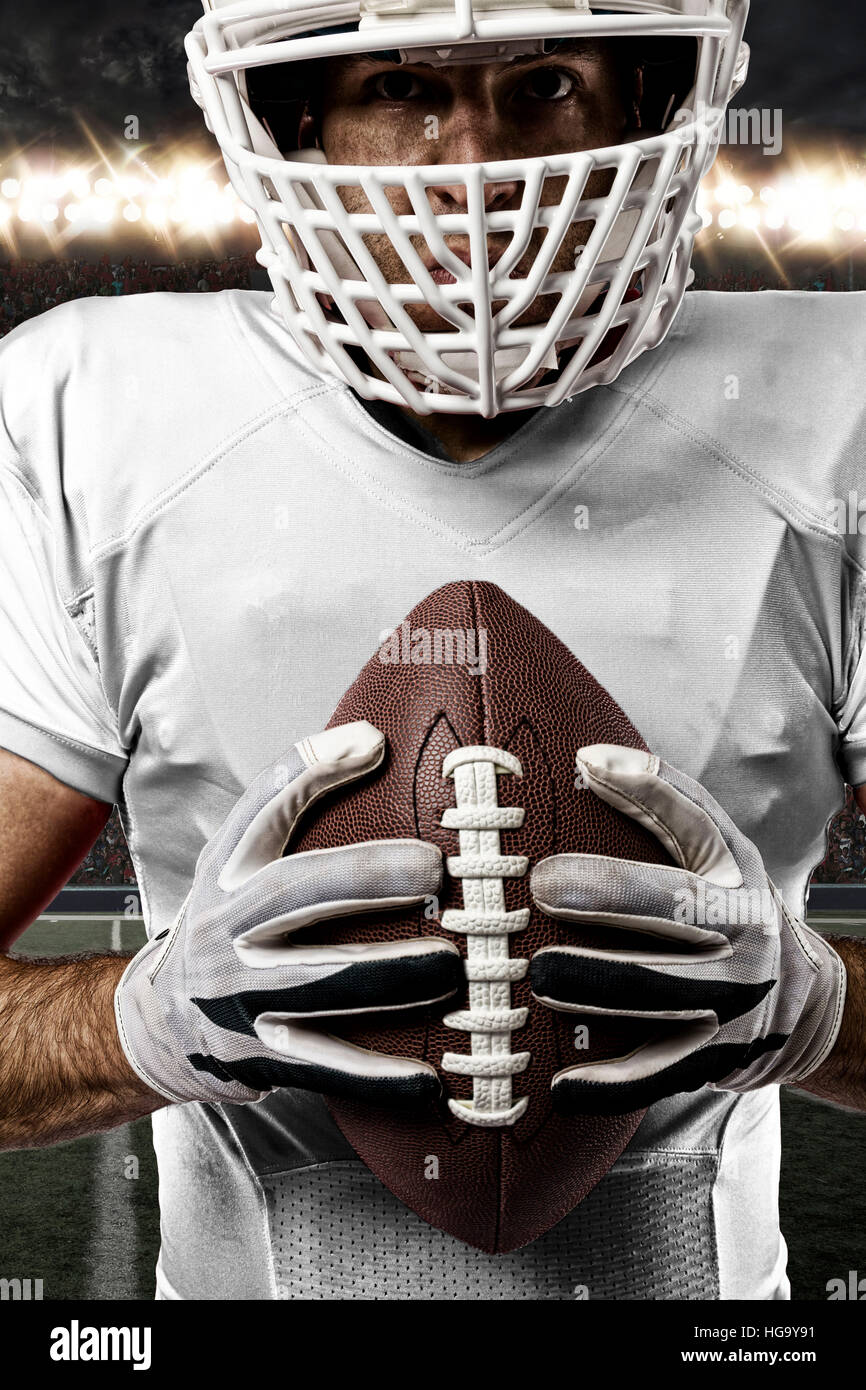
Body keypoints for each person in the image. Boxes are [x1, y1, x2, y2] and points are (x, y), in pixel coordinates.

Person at [0, 0, 862, 1300]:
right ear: (297, 124)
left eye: (543, 84)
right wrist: (142, 1022)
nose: (474, 167)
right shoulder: (93, 422)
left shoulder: (833, 412)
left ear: (651, 101)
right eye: (402, 85)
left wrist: (818, 1005)